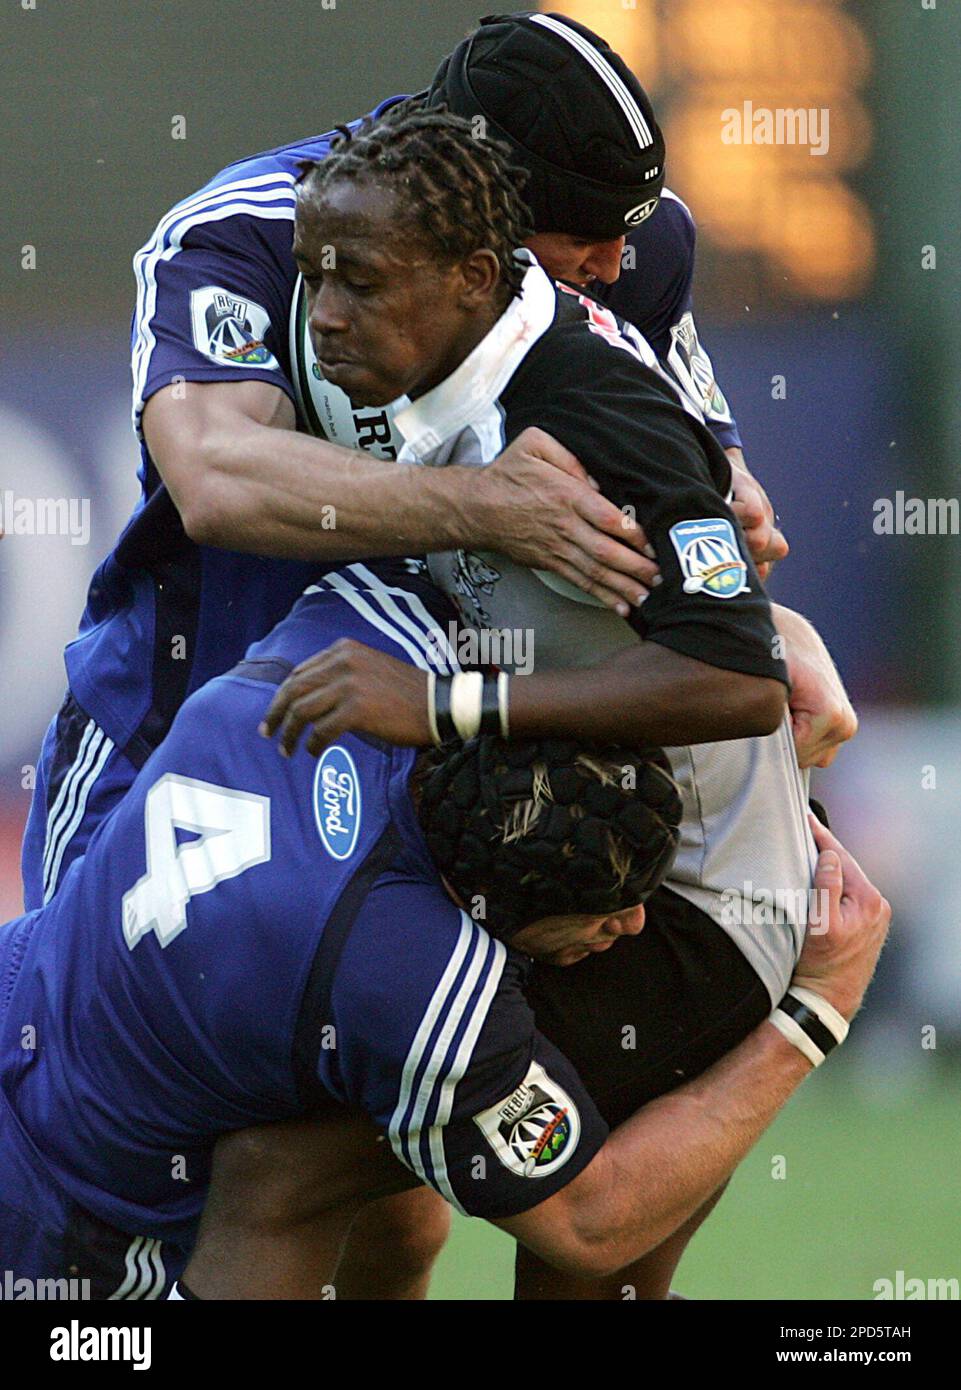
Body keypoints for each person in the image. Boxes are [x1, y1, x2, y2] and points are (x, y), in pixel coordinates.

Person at [214, 104, 851, 1301]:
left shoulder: (593, 404)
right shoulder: (447, 369)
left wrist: (444, 705)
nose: (326, 312)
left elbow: (734, 683)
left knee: (283, 1168)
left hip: (700, 912)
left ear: (470, 275)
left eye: (362, 280)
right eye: (312, 277)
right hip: (599, 872)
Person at [22, 11, 830, 918]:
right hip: (197, 710)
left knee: (454, 1040)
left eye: (626, 232)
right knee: (72, 1021)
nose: (612, 264)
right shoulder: (249, 235)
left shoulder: (633, 246)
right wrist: (482, 505)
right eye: (580, 238)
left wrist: (765, 630)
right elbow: (214, 477)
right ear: (480, 232)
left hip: (474, 753)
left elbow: (706, 502)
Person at [0, 567, 889, 1300]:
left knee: (397, 1204)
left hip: (23, 990)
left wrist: (764, 625)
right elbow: (590, 1221)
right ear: (488, 913)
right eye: (604, 913)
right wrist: (816, 1010)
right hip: (78, 1215)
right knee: (289, 1180)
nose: (632, 924)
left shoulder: (349, 646)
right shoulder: (410, 975)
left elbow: (499, 578)